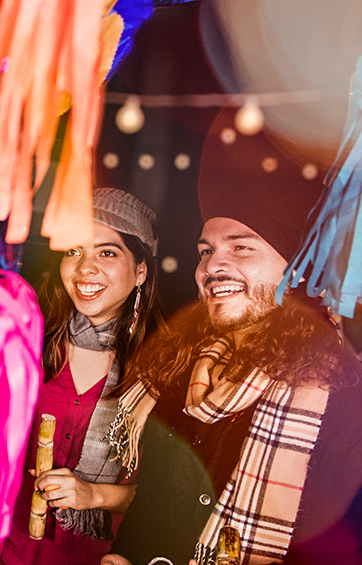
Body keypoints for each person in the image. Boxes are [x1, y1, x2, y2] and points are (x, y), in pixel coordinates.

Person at [102, 129, 362, 565]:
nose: (212, 266)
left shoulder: (342, 399)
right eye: (206, 251)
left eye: (241, 247)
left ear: (294, 269)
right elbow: (155, 502)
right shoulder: (182, 366)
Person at [0, 188, 161, 565]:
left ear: (140, 270)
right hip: (5, 546)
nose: (85, 267)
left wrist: (94, 495)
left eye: (107, 252)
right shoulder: (29, 341)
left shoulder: (162, 367)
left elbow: (167, 492)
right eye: (74, 250)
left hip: (92, 555)